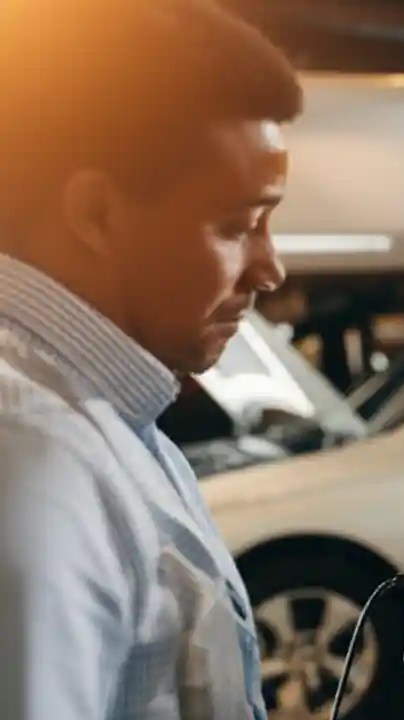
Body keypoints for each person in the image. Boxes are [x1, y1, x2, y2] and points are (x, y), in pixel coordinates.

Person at [0, 1, 301, 718]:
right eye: (238, 225)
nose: (270, 269)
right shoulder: (36, 463)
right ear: (96, 215)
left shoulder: (105, 420)